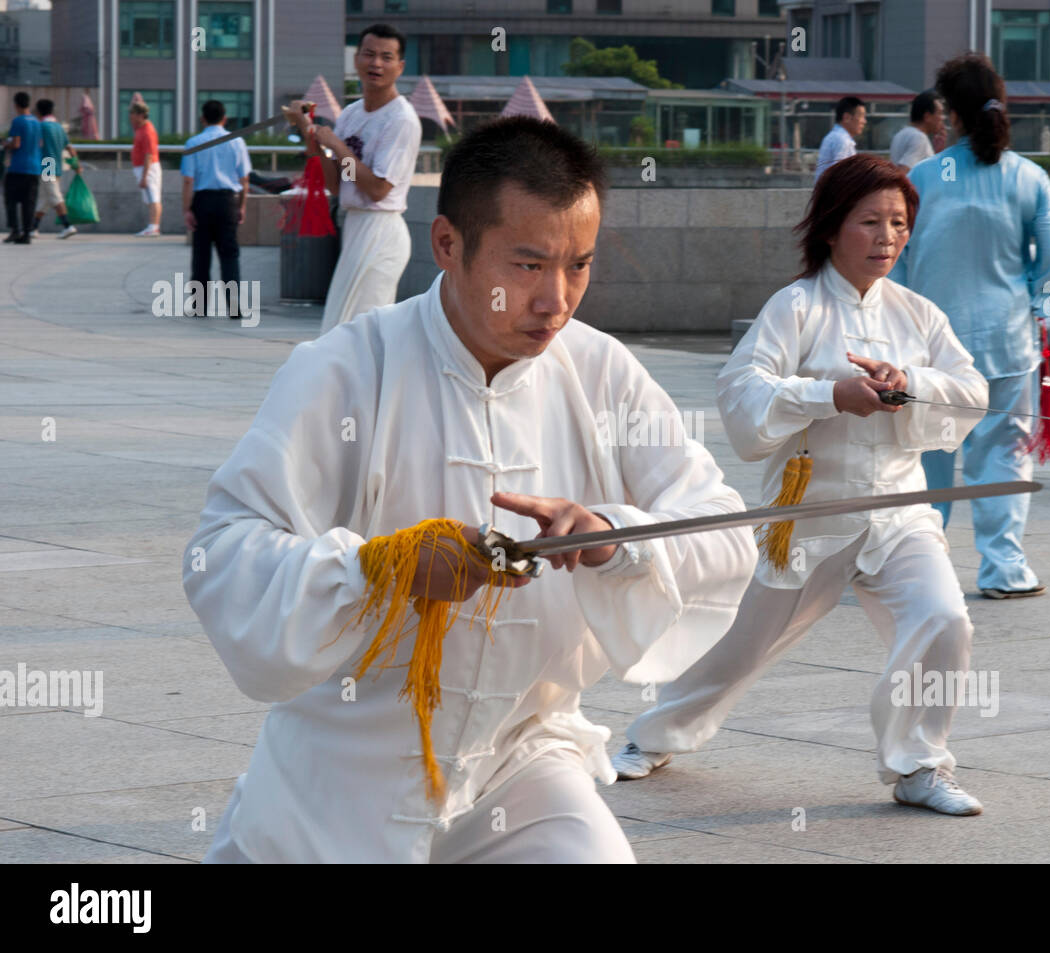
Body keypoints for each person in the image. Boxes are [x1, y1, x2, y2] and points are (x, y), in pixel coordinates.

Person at [184, 116, 757, 863]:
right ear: (448, 244)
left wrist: (612, 538)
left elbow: (722, 529)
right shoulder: (347, 368)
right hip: (352, 758)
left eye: (578, 264)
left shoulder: (604, 373)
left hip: (522, 751)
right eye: (528, 265)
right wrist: (378, 569)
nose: (557, 299)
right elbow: (223, 551)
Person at [611, 154, 992, 816]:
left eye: (899, 223)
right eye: (869, 220)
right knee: (744, 643)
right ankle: (651, 734)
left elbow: (971, 389)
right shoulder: (796, 306)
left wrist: (909, 385)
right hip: (809, 514)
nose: (887, 237)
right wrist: (831, 394)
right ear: (831, 226)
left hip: (899, 511)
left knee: (944, 616)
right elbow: (742, 387)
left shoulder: (918, 313)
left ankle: (919, 763)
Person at [891, 53, 1050, 599]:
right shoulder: (1030, 177)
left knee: (931, 464)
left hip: (933, 352)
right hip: (1008, 344)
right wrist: (1041, 311)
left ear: (949, 113)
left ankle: (921, 568)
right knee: (1002, 455)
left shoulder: (922, 179)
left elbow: (894, 265)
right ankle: (1006, 569)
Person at [285, 22, 421, 335]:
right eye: (369, 54)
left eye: (386, 57)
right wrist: (310, 134)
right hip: (355, 227)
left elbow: (376, 190)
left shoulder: (402, 120)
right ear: (356, 59)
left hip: (382, 230)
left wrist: (337, 146)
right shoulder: (351, 115)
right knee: (339, 329)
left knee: (362, 333)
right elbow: (338, 183)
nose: (376, 63)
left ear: (399, 67)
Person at [181, 99, 252, 319]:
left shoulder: (193, 142)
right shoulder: (237, 142)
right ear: (225, 118)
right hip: (227, 201)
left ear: (203, 118)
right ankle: (234, 306)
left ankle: (199, 307)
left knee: (201, 255)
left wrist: (187, 210)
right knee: (229, 255)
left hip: (203, 201)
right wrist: (241, 206)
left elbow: (188, 181)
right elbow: (245, 179)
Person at [32, 99, 79, 239]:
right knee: (44, 198)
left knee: (53, 195)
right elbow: (70, 148)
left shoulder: (41, 127)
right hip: (57, 163)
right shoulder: (58, 127)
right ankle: (33, 228)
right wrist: (76, 164)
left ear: (39, 111)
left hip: (46, 163)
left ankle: (67, 225)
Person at [3, 92, 42, 244]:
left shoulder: (18, 121)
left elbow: (16, 143)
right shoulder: (37, 123)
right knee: (29, 203)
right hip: (35, 168)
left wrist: (6, 144)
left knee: (11, 201)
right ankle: (27, 234)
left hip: (18, 168)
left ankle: (15, 230)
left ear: (16, 104)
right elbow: (41, 144)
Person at [889, 90, 945, 171]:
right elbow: (904, 172)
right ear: (927, 116)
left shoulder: (901, 134)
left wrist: (937, 152)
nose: (942, 118)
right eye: (940, 113)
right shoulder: (919, 138)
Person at [129, 102, 162, 237]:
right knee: (149, 198)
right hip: (142, 167)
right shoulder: (140, 129)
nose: (130, 117)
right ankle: (152, 225)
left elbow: (149, 155)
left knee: (153, 197)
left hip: (148, 168)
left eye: (133, 114)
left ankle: (154, 226)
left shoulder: (148, 131)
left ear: (140, 115)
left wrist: (144, 176)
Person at [814, 96, 865, 182]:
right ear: (846, 117)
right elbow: (840, 176)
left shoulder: (833, 136)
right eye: (861, 116)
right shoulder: (843, 140)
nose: (864, 121)